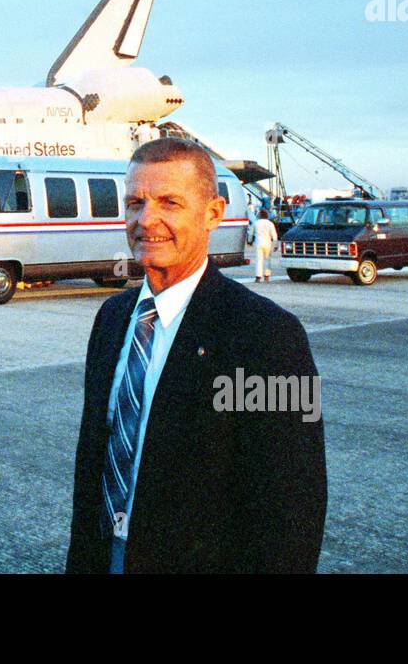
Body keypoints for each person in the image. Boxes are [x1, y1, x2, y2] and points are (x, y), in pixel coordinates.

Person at [66, 137, 326, 573]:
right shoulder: (111, 321)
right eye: (134, 202)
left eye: (169, 202)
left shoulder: (268, 336)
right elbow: (91, 471)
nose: (147, 220)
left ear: (212, 215)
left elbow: (293, 511)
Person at [253, 208, 279, 283]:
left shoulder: (256, 223)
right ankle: (266, 276)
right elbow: (274, 235)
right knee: (267, 260)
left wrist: (249, 240)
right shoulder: (270, 223)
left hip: (258, 243)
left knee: (259, 260)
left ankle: (258, 277)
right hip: (267, 243)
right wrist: (276, 244)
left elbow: (251, 233)